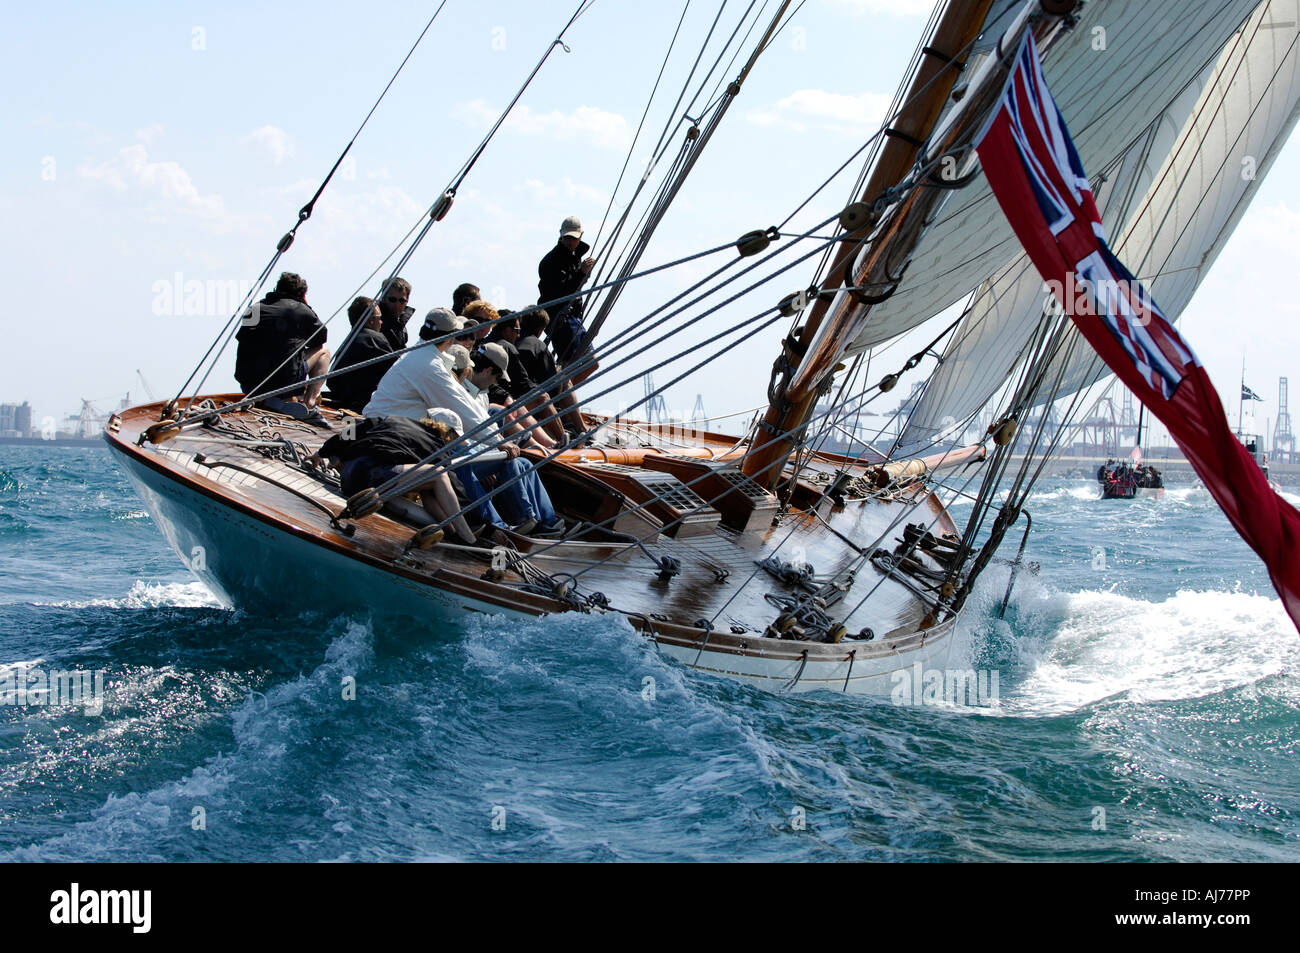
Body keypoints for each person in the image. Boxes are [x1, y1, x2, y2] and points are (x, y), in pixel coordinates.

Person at [306, 414, 476, 545]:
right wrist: (482, 526)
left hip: (349, 475)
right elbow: (455, 489)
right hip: (372, 477)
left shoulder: (392, 419)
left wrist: (320, 453)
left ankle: (451, 533)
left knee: (429, 486)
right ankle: (467, 538)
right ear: (447, 433)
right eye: (454, 437)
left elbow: (351, 432)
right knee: (438, 474)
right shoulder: (436, 445)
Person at [235, 271, 330, 425]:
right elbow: (321, 337)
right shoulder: (299, 309)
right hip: (282, 382)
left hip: (248, 383)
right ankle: (309, 403)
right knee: (323, 351)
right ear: (301, 294)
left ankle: (272, 398)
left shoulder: (255, 308)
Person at [537, 215, 598, 386]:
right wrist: (581, 273)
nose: (570, 241)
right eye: (567, 238)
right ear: (561, 236)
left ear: (580, 237)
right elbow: (560, 292)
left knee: (588, 363)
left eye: (573, 238)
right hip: (560, 318)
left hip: (572, 318)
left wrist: (582, 271)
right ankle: (559, 399)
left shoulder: (574, 257)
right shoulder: (551, 261)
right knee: (574, 365)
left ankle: (560, 399)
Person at [516, 309, 585, 439]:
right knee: (564, 381)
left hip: (511, 399)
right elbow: (552, 386)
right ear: (540, 330)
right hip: (529, 403)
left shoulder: (512, 340)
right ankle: (580, 428)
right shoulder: (539, 346)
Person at [327, 296, 398, 413]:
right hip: (366, 404)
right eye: (379, 318)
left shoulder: (348, 341)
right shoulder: (375, 338)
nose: (381, 322)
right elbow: (397, 371)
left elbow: (332, 381)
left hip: (344, 401)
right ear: (371, 320)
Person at [377, 277, 415, 351]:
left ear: (407, 300)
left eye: (402, 300)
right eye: (392, 299)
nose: (397, 305)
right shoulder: (375, 322)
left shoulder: (400, 323)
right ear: (383, 298)